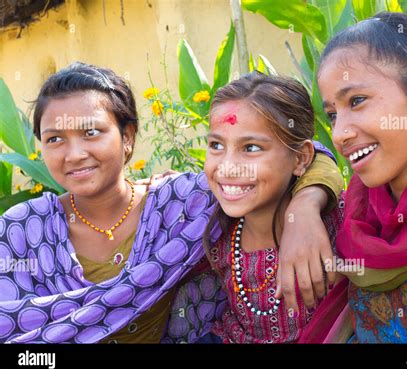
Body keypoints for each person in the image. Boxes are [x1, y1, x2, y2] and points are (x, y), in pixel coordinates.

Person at [0, 62, 343, 343]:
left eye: (91, 133)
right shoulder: (21, 232)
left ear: (128, 136)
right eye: (55, 139)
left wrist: (305, 209)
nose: (74, 154)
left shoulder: (182, 204)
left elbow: (312, 157)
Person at [299, 12, 407, 343]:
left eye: (357, 100)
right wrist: (304, 208)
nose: (339, 134)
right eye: (333, 115)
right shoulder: (353, 217)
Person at [196, 72, 343, 343]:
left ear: (301, 158)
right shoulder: (205, 224)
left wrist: (307, 206)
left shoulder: (339, 223)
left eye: (250, 148)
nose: (227, 166)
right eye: (216, 145)